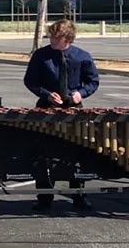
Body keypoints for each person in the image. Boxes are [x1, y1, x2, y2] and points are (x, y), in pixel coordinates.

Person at [23, 18, 101, 210]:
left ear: (67, 38)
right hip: (46, 109)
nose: (51, 40)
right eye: (51, 36)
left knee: (76, 153)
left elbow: (93, 82)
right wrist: (46, 94)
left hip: (73, 110)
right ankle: (44, 199)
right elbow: (30, 81)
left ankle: (78, 196)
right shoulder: (41, 56)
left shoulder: (82, 56)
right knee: (43, 155)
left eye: (55, 37)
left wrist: (79, 94)